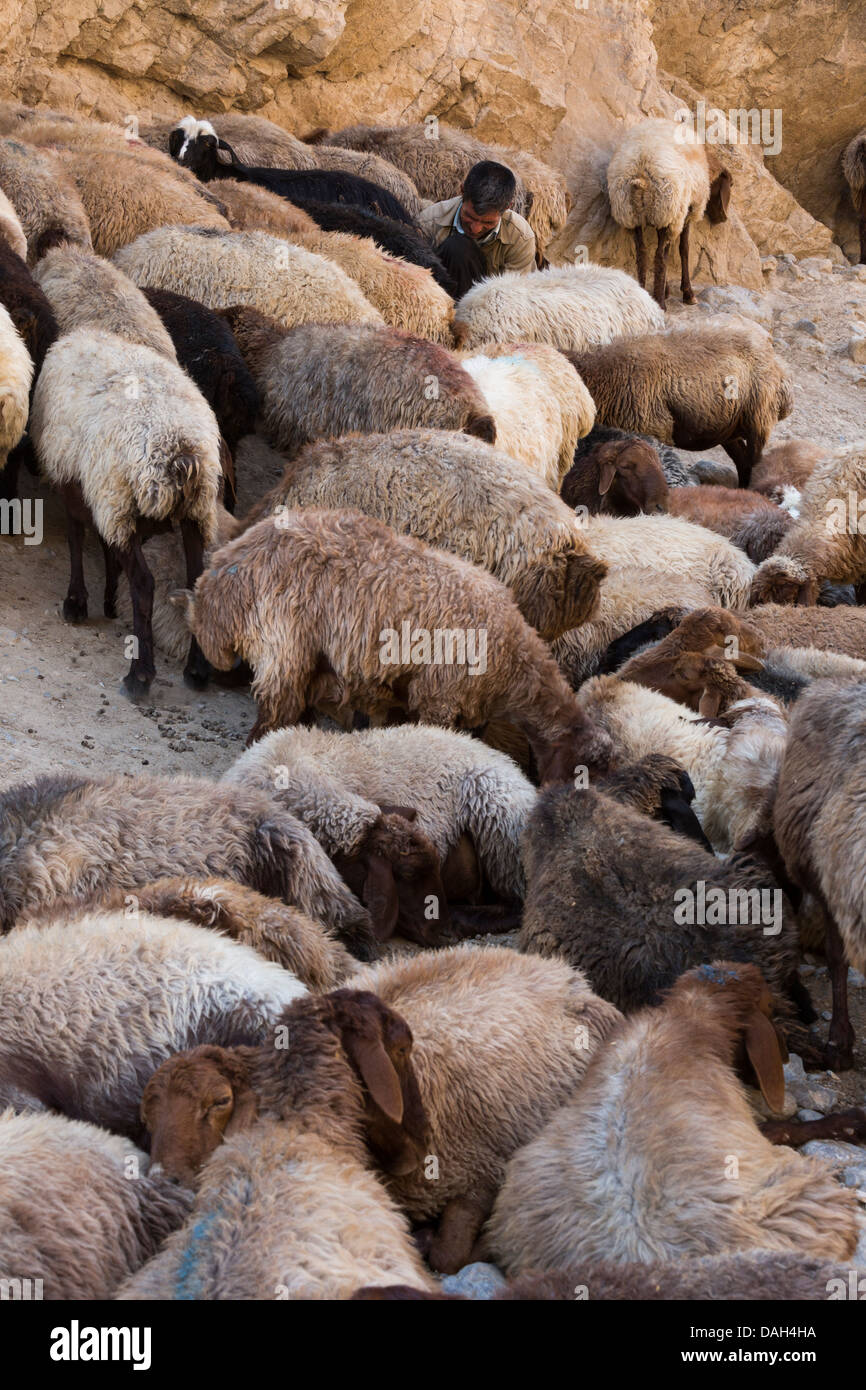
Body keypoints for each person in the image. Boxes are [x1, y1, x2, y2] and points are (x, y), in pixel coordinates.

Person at [418, 160, 536, 296]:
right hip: (442, 296)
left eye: (488, 222)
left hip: (497, 302)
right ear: (462, 192)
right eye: (470, 217)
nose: (476, 229)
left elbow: (514, 294)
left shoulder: (520, 237)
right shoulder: (430, 222)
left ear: (507, 207)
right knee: (457, 247)